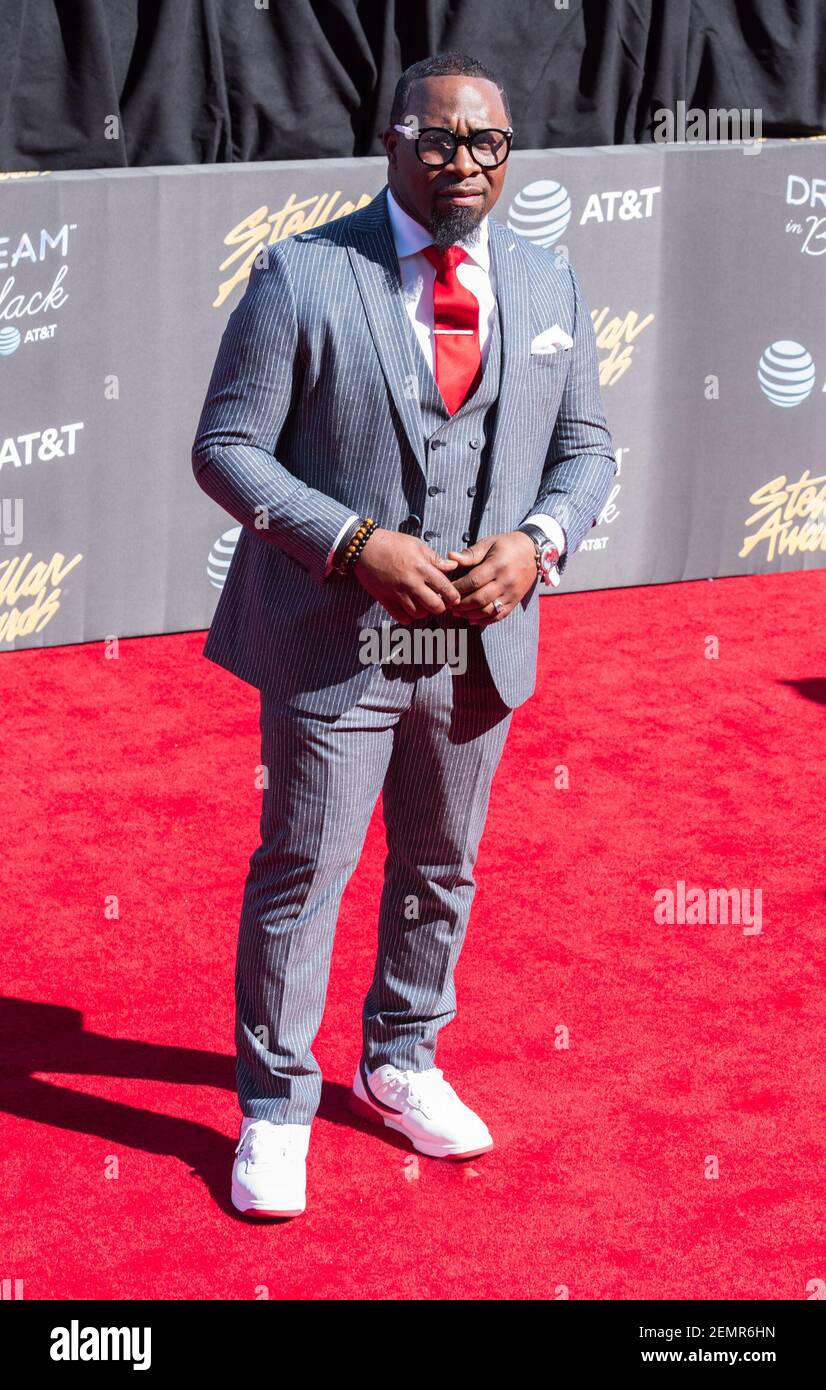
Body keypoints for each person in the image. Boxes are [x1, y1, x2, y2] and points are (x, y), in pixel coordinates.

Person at [192, 51, 617, 1218]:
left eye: (487, 144)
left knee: (441, 865)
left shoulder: (545, 282)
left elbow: (588, 450)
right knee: (304, 870)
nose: (464, 163)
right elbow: (225, 448)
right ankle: (275, 1107)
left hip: (481, 639)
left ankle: (400, 1059)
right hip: (340, 635)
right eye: (439, 140)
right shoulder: (301, 273)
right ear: (391, 142)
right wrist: (350, 543)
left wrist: (536, 542)